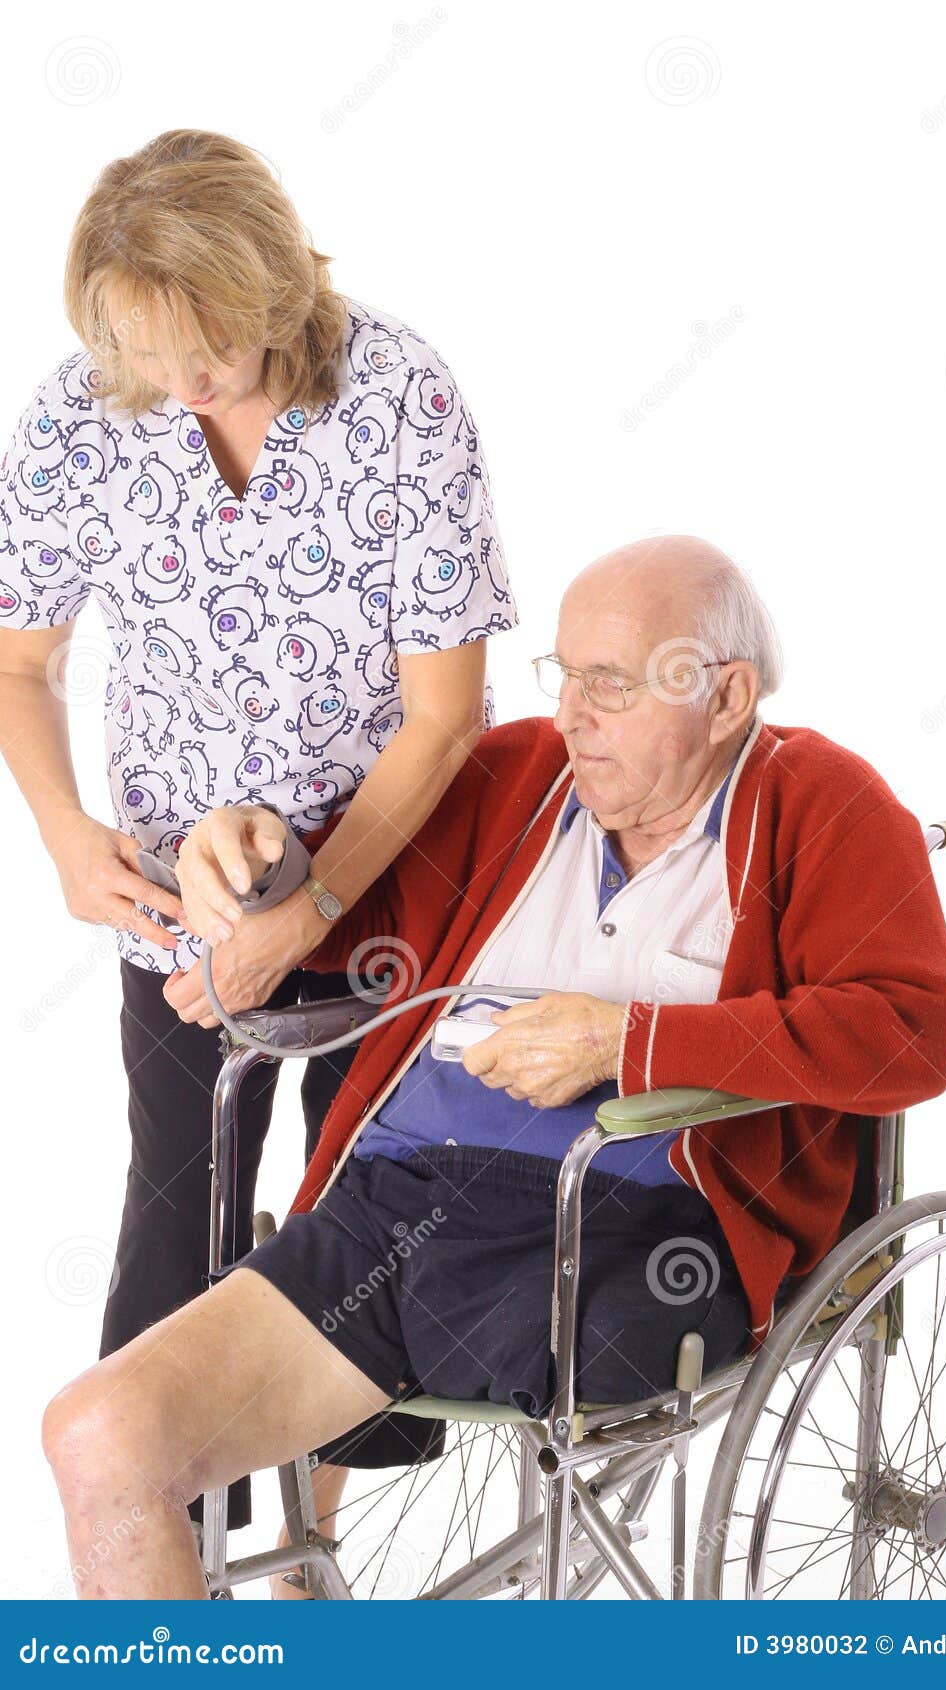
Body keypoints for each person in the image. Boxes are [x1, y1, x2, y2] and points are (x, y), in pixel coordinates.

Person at [40, 534, 946, 1598]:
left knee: (479, 1362)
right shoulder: (516, 771)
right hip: (393, 1203)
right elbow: (356, 914)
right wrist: (265, 859)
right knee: (97, 1434)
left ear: (724, 698)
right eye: (563, 675)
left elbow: (907, 1028)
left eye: (609, 685)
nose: (570, 712)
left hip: (628, 1220)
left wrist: (625, 1039)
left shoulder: (822, 801)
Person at [0, 129, 516, 1553]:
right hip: (174, 911)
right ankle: (168, 1574)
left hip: (384, 885)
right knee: (177, 1218)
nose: (180, 381)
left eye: (203, 340)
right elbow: (18, 662)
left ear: (269, 280)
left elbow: (443, 715)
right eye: (143, 350)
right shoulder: (86, 411)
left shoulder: (398, 394)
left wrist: (321, 898)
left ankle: (307, 1557)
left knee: (349, 1223)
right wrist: (61, 833)